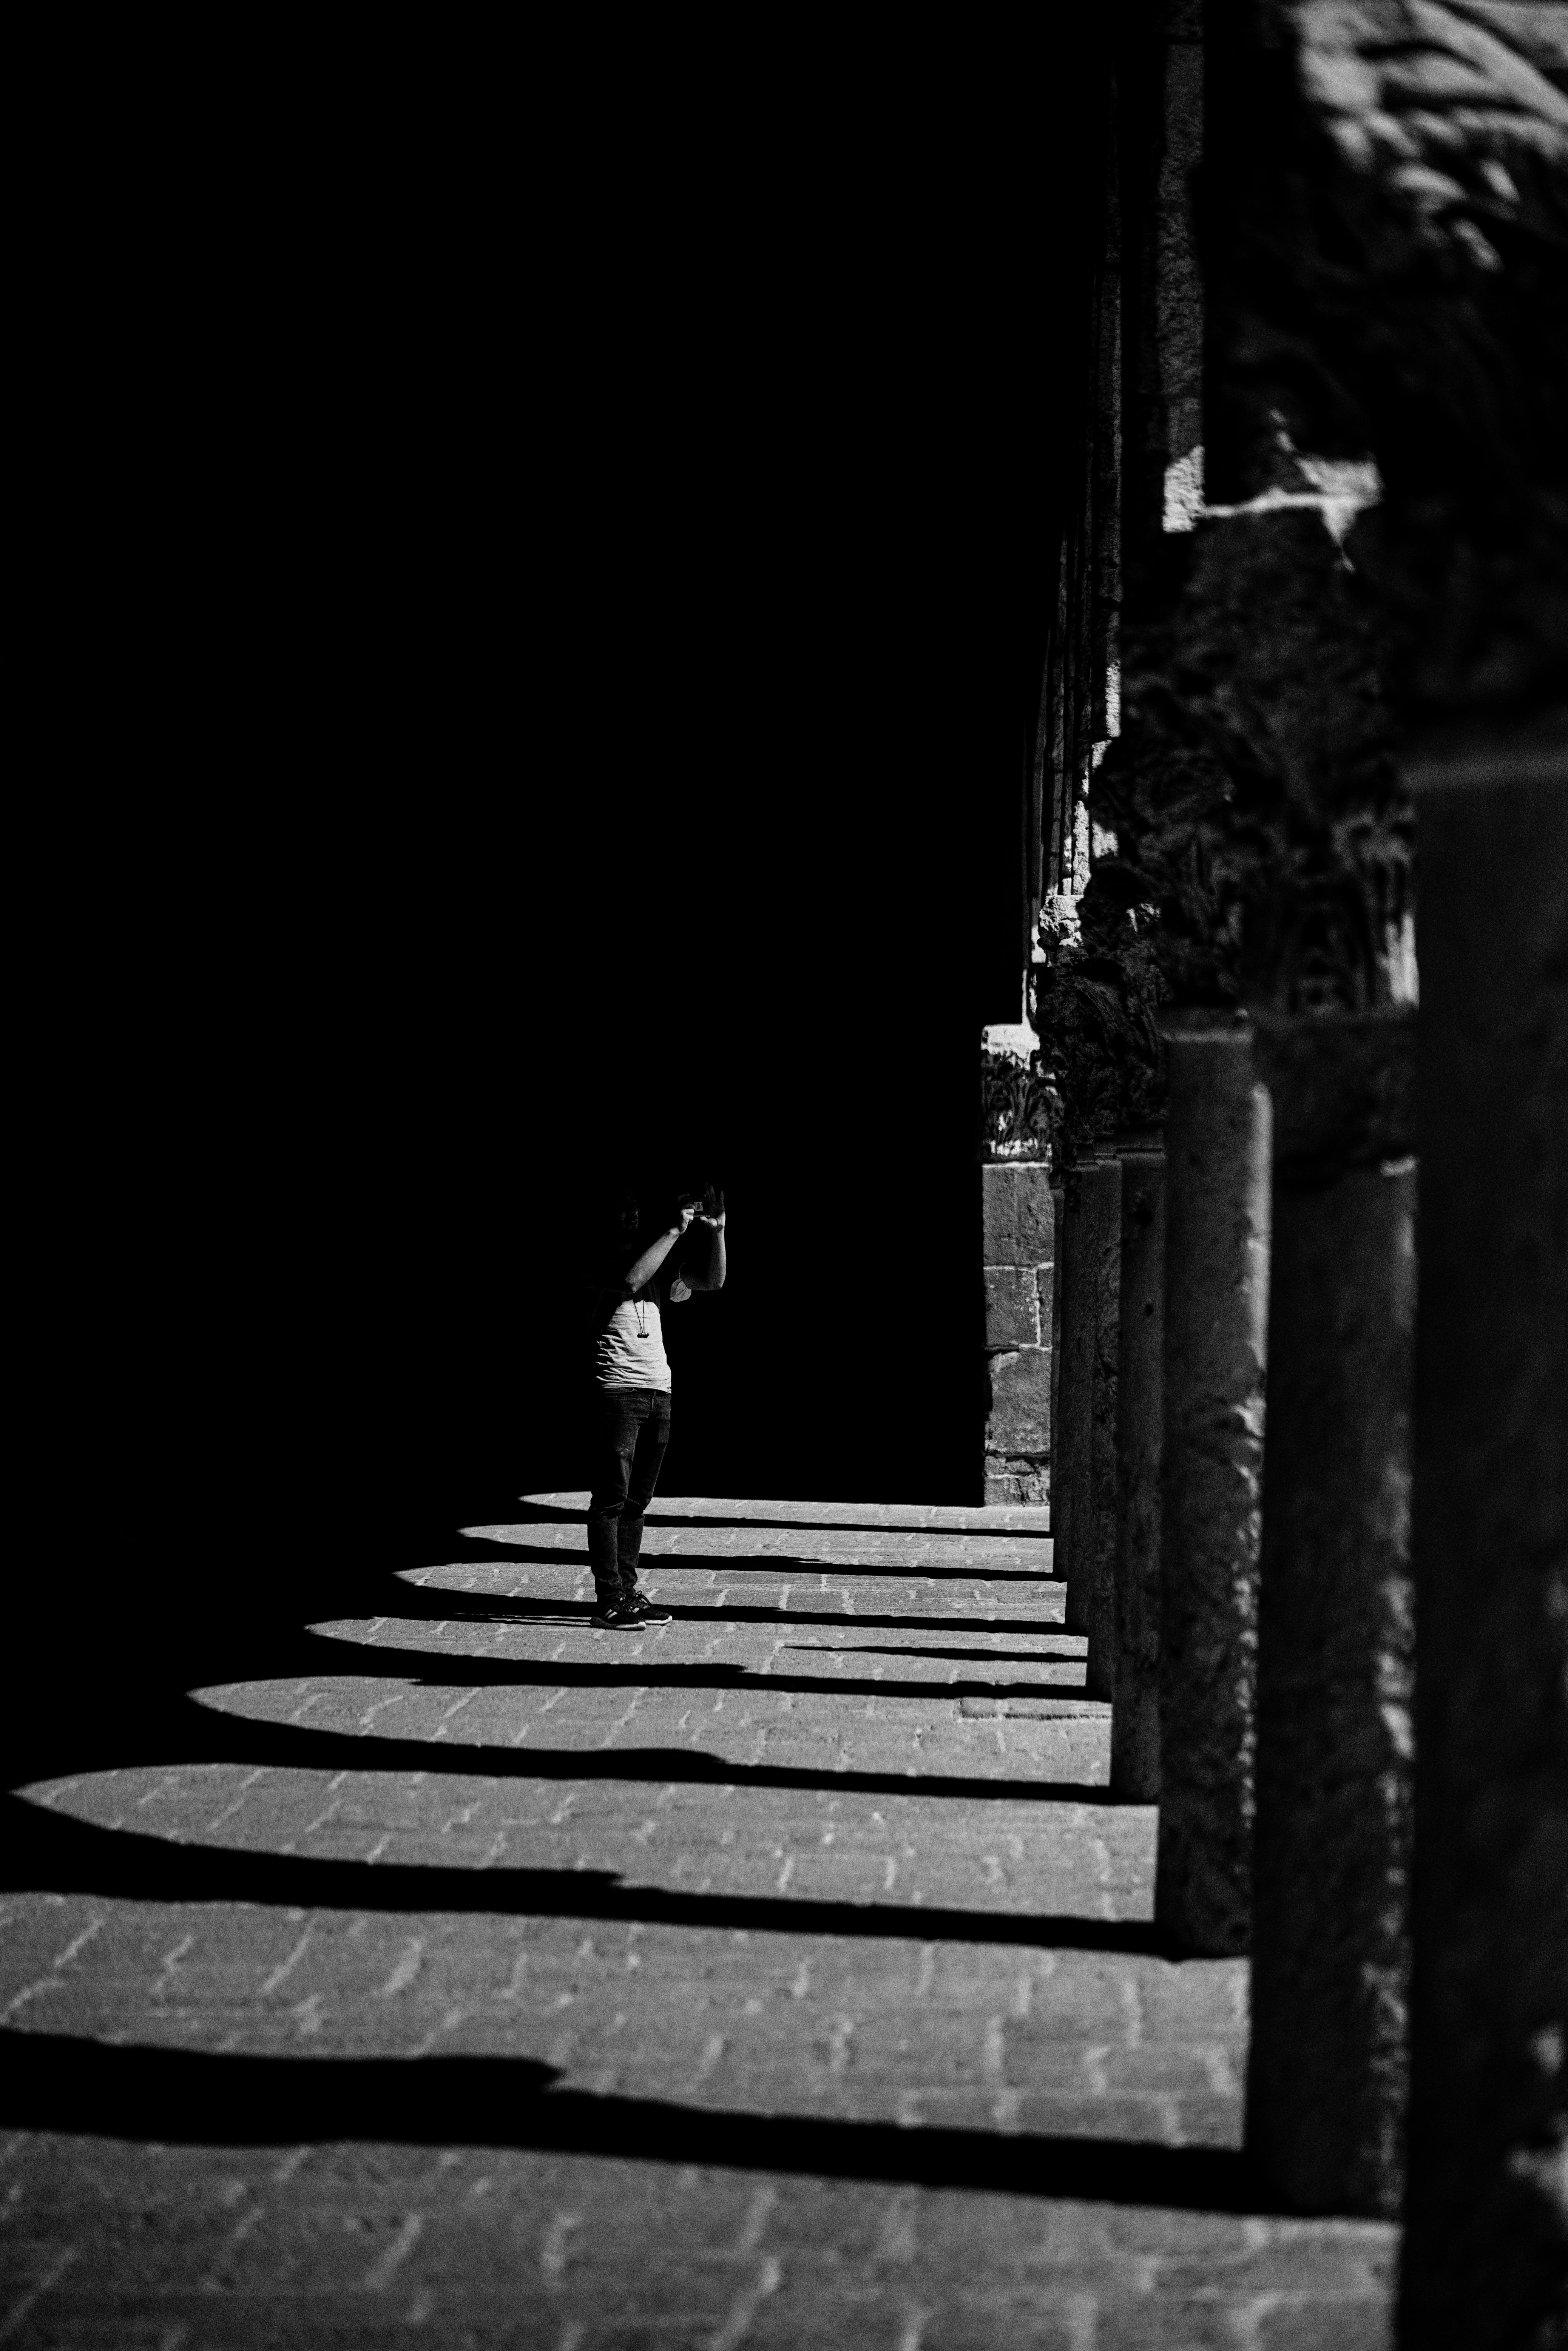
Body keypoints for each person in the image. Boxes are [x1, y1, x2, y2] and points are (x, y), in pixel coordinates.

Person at [583, 1184, 727, 1628]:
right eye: (621, 1207)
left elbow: (711, 1281)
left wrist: (717, 1233)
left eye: (634, 1207)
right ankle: (610, 1598)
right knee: (612, 1499)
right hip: (619, 1392)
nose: (631, 1213)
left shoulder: (657, 1262)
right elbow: (629, 1280)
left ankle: (628, 1591)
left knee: (637, 1502)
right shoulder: (600, 1261)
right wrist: (673, 1229)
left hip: (657, 1390)